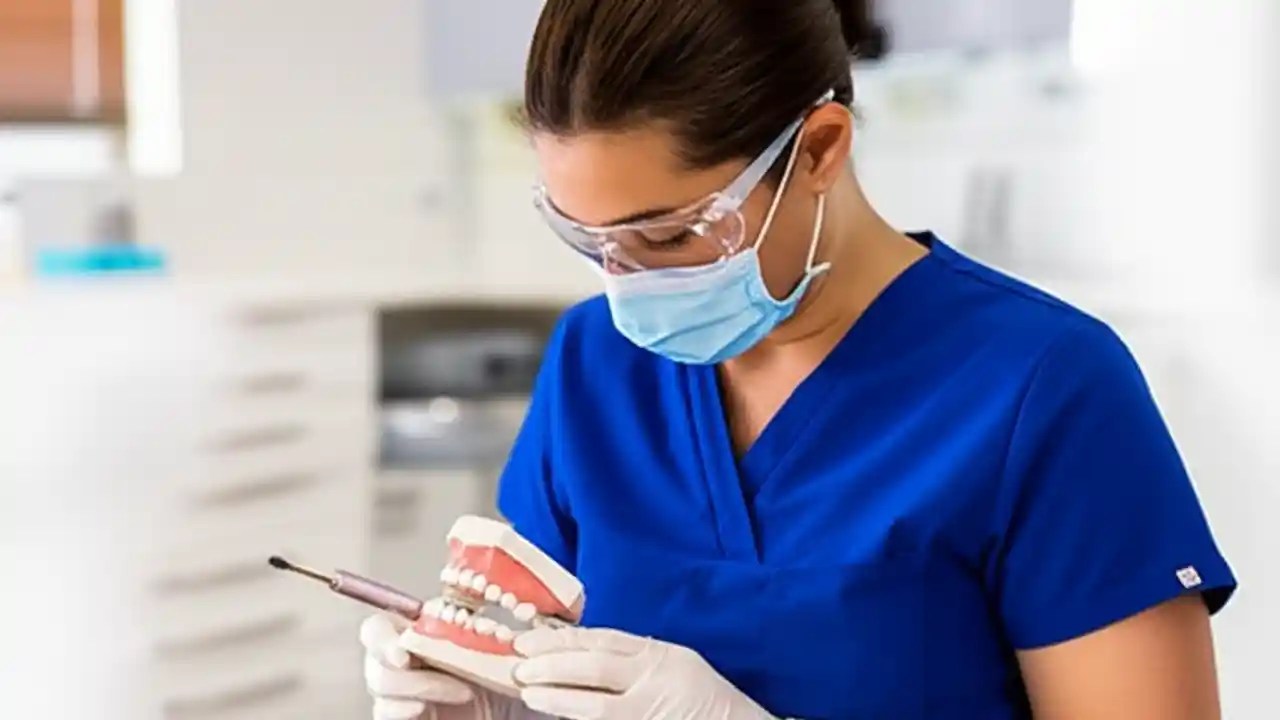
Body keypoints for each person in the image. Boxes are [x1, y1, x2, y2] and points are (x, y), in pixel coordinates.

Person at [361, 1, 1237, 718]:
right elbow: (537, 649)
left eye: (670, 233)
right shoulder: (595, 362)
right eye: (587, 238)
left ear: (819, 148)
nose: (625, 282)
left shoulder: (1043, 385)